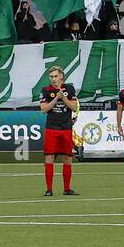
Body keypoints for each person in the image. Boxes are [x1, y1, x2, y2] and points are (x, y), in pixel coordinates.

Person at [39, 66, 79, 196]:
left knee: (67, 157)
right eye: (51, 77)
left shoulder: (70, 89)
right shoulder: (45, 90)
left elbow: (73, 107)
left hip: (66, 128)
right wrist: (56, 98)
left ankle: (67, 189)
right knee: (49, 157)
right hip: (52, 128)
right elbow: (44, 109)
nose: (53, 79)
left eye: (55, 76)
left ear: (61, 76)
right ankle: (49, 189)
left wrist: (64, 98)